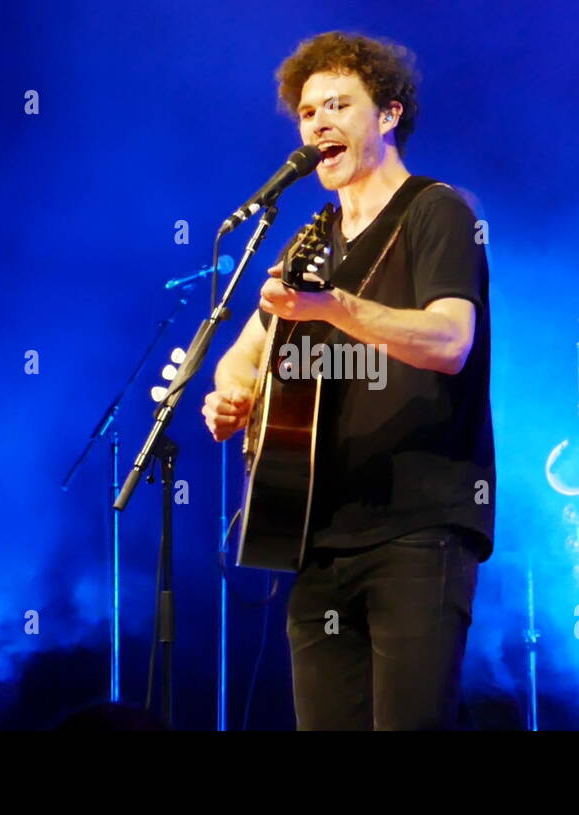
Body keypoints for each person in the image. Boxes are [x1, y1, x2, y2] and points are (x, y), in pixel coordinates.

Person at [201, 31, 494, 730]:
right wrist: (233, 393)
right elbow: (246, 349)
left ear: (389, 115)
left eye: (339, 104)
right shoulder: (311, 238)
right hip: (318, 533)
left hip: (418, 527)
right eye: (308, 112)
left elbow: (451, 340)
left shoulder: (437, 210)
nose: (318, 123)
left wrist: (335, 306)